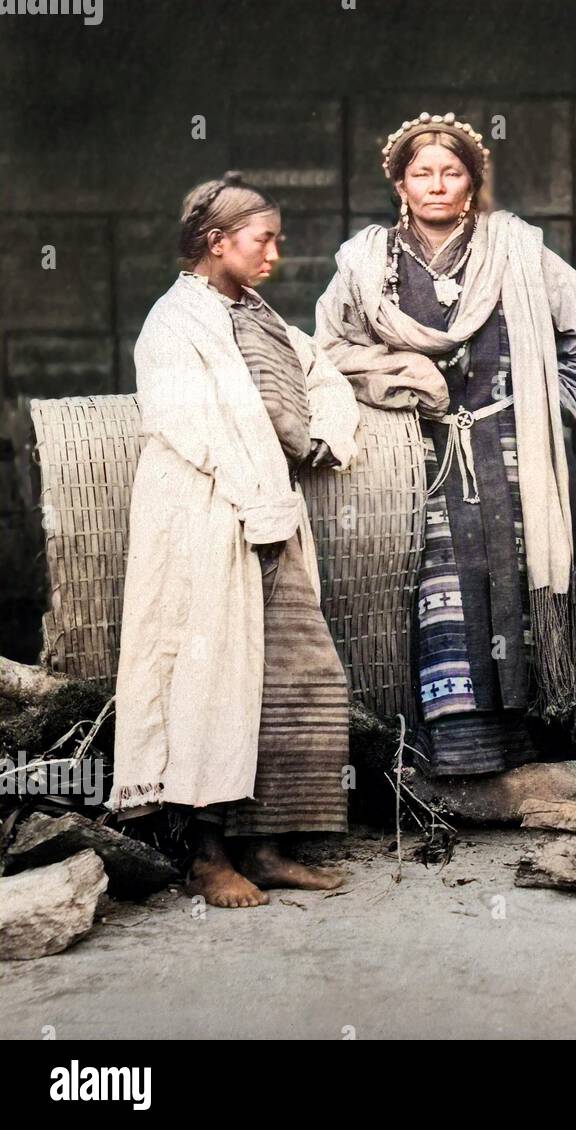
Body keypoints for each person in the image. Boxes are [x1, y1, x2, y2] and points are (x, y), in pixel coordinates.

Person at [315, 112, 576, 792]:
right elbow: (328, 348)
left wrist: (545, 401)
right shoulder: (368, 262)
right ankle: (446, 755)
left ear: (473, 183)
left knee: (506, 575)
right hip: (413, 451)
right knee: (434, 586)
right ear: (400, 184)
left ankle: (524, 750)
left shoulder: (513, 249)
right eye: (423, 174)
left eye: (452, 174)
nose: (437, 186)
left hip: (508, 446)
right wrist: (394, 382)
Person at [111, 173, 362, 908]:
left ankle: (267, 845)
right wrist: (255, 501)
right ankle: (207, 855)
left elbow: (326, 379)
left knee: (293, 678)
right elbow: (191, 425)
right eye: (263, 240)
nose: (275, 254)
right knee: (207, 681)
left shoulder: (262, 319)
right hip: (202, 514)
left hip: (269, 515)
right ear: (216, 243)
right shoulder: (173, 322)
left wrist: (321, 434)